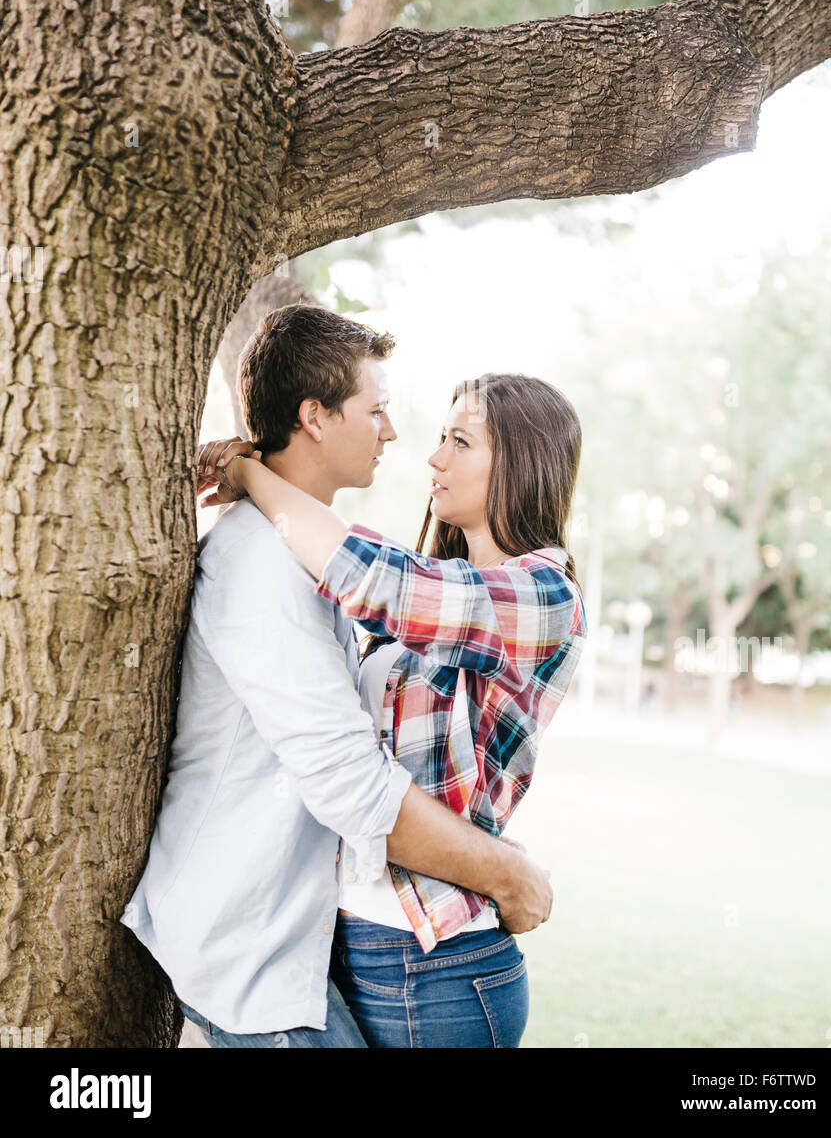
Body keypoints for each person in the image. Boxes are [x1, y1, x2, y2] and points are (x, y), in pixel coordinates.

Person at [121, 305, 553, 1050]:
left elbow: (376, 574)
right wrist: (508, 875)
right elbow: (351, 783)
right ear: (315, 417)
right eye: (375, 409)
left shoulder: (314, 558)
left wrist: (248, 469)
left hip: (302, 945)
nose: (395, 435)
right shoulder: (261, 563)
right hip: (250, 948)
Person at [199, 366, 587, 1048]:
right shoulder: (441, 592)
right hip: (350, 943)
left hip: (434, 970)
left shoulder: (544, 597)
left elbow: (368, 576)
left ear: (522, 463)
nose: (435, 457)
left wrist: (253, 477)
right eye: (442, 436)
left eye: (461, 442)